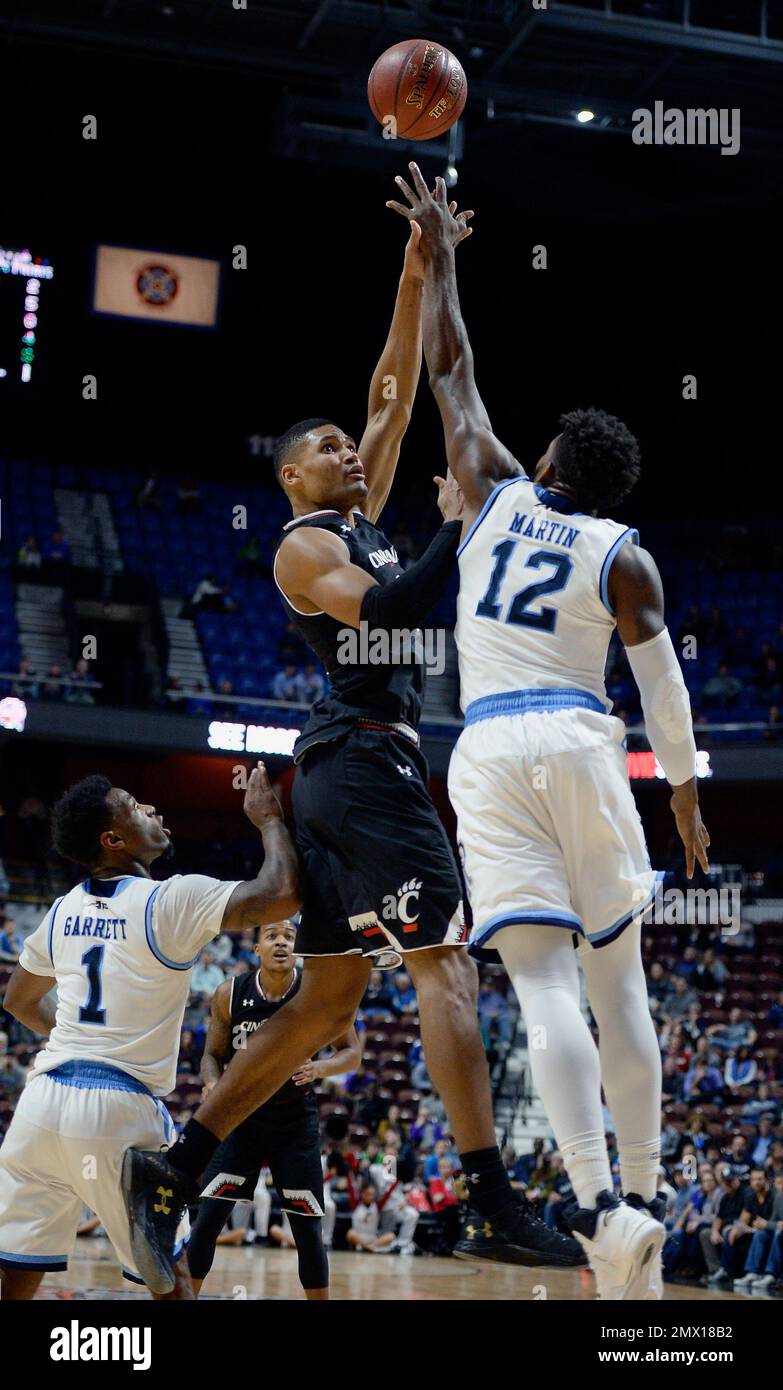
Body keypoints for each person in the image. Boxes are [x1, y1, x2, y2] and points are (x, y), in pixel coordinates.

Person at [123, 211, 585, 1285]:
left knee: (328, 1000)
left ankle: (173, 1168)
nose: (351, 449)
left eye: (347, 444)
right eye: (326, 448)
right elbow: (385, 614)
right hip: (364, 759)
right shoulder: (307, 544)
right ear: (291, 477)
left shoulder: (357, 507)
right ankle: (489, 1200)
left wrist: (418, 266)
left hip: (349, 767)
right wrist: (468, 517)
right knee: (446, 964)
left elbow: (387, 390)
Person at [389, 161, 711, 1299]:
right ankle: (649, 1190)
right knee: (618, 985)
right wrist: (679, 787)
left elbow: (453, 367)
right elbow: (662, 689)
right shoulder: (627, 554)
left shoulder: (488, 485)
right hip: (585, 740)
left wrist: (443, 253)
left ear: (549, 464)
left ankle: (593, 1207)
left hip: (485, 747)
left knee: (541, 993)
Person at [0, 762, 299, 1300]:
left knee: (17, 1273)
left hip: (40, 1107)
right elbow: (280, 893)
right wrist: (270, 820)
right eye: (137, 807)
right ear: (114, 839)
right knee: (173, 1282)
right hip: (117, 1114)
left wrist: (76, 1044)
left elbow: (17, 999)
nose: (153, 810)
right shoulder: (168, 900)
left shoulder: (63, 908)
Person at [187, 919, 361, 1300]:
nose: (281, 942)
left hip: (294, 1124)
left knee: (307, 1233)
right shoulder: (229, 993)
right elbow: (211, 1057)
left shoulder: (317, 994)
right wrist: (214, 1085)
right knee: (206, 1224)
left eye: (289, 936)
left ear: (298, 948)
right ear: (257, 948)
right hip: (239, 1120)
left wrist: (321, 1068)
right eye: (272, 936)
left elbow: (353, 1054)